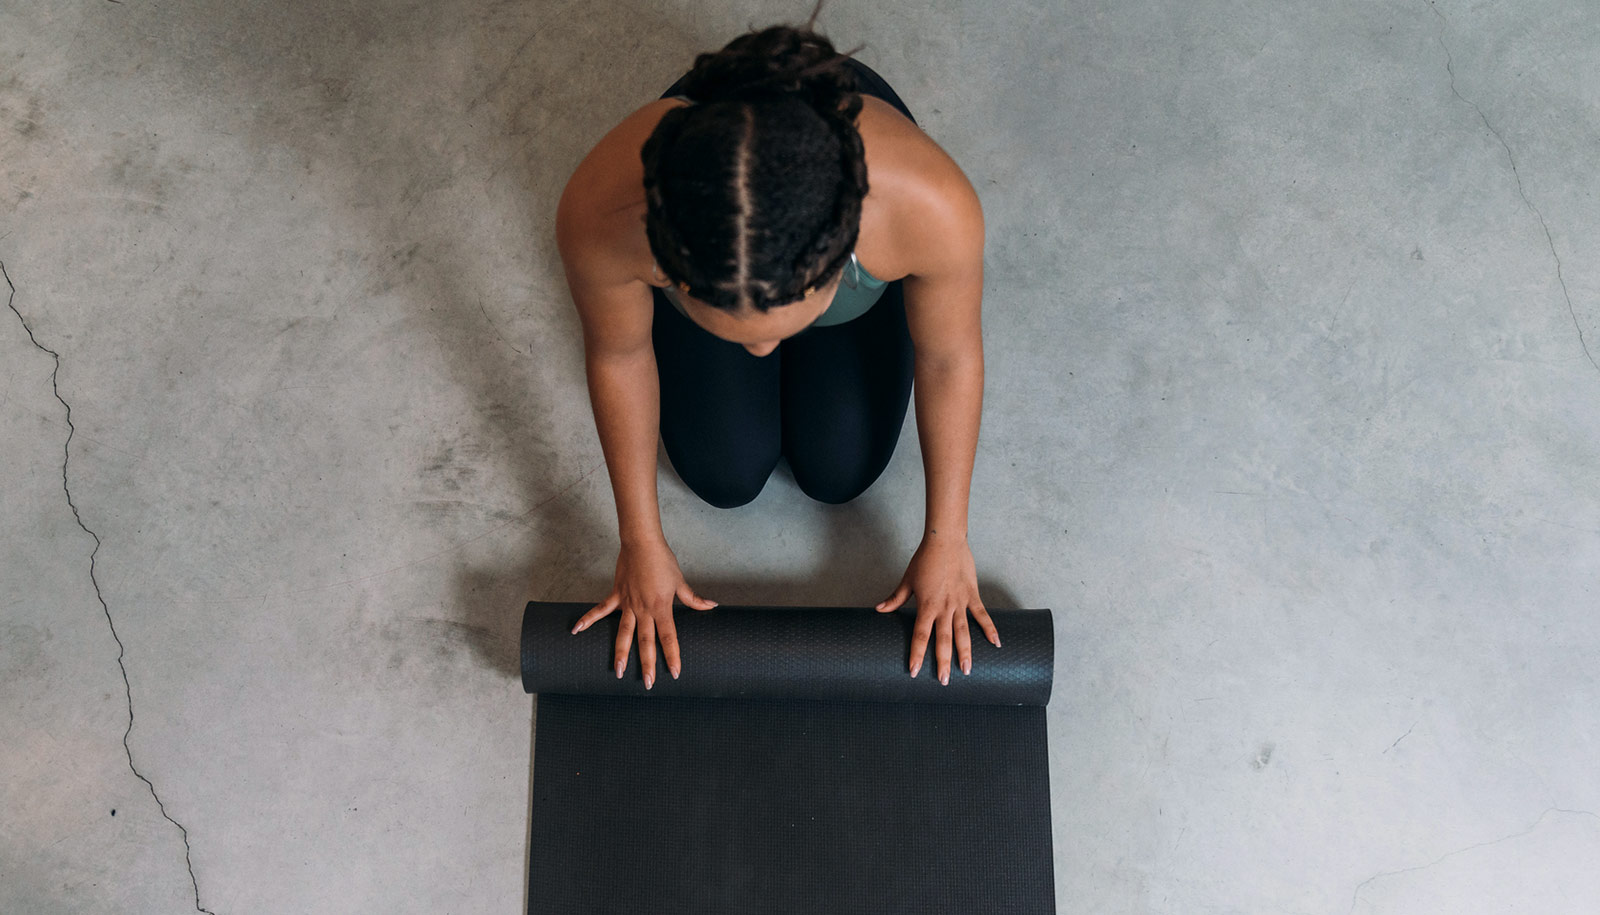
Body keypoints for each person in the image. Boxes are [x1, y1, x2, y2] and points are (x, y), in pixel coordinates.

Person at [555, 9, 998, 692]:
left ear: (836, 260)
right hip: (713, 183)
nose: (761, 350)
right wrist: (639, 543)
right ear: (671, 270)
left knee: (840, 471)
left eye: (777, 328)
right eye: (740, 331)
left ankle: (797, 321)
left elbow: (949, 358)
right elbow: (618, 355)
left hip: (831, 172)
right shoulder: (602, 213)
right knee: (723, 476)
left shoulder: (928, 205)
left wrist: (947, 538)